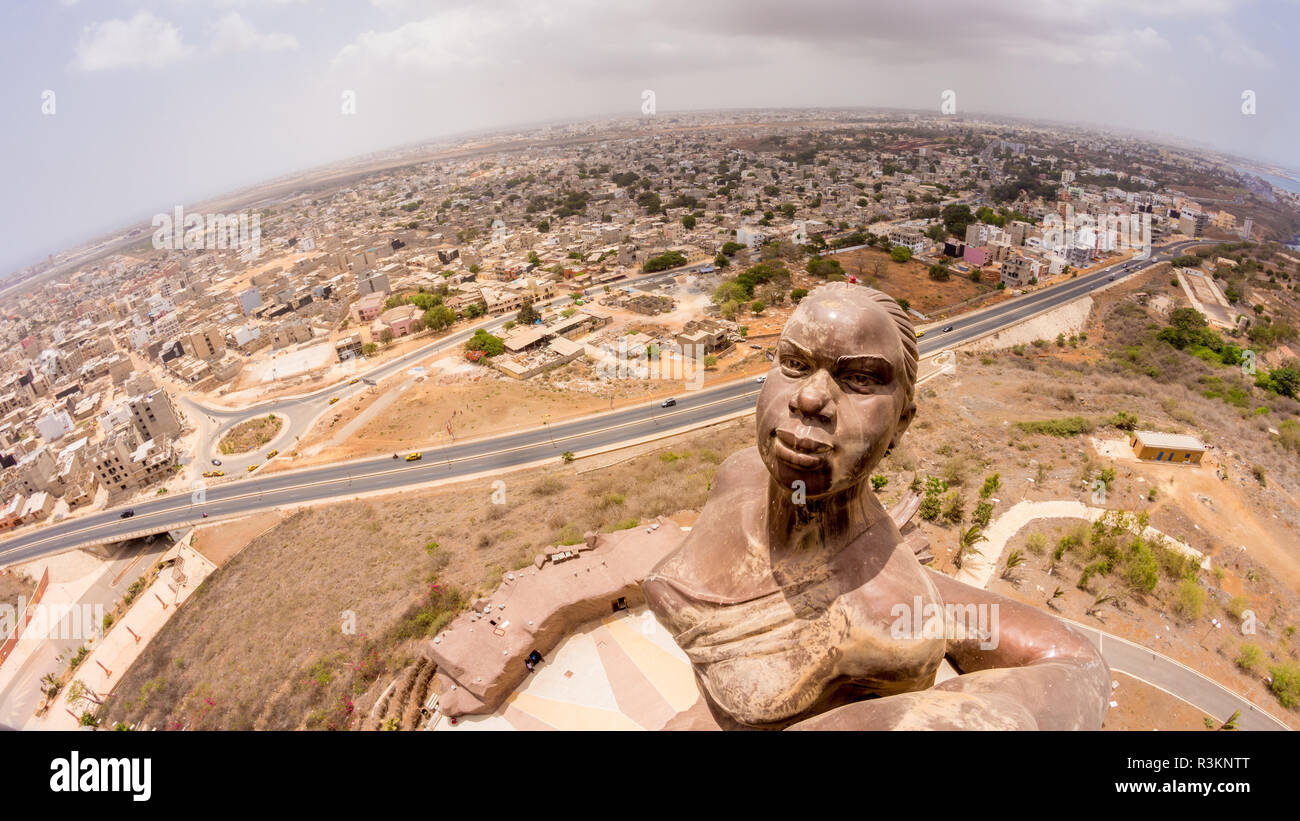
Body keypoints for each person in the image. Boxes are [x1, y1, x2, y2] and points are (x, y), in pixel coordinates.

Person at [642, 283, 1109, 730]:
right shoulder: (738, 473)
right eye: (793, 363)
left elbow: (1062, 671)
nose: (809, 398)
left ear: (902, 421)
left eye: (860, 379)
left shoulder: (889, 624)